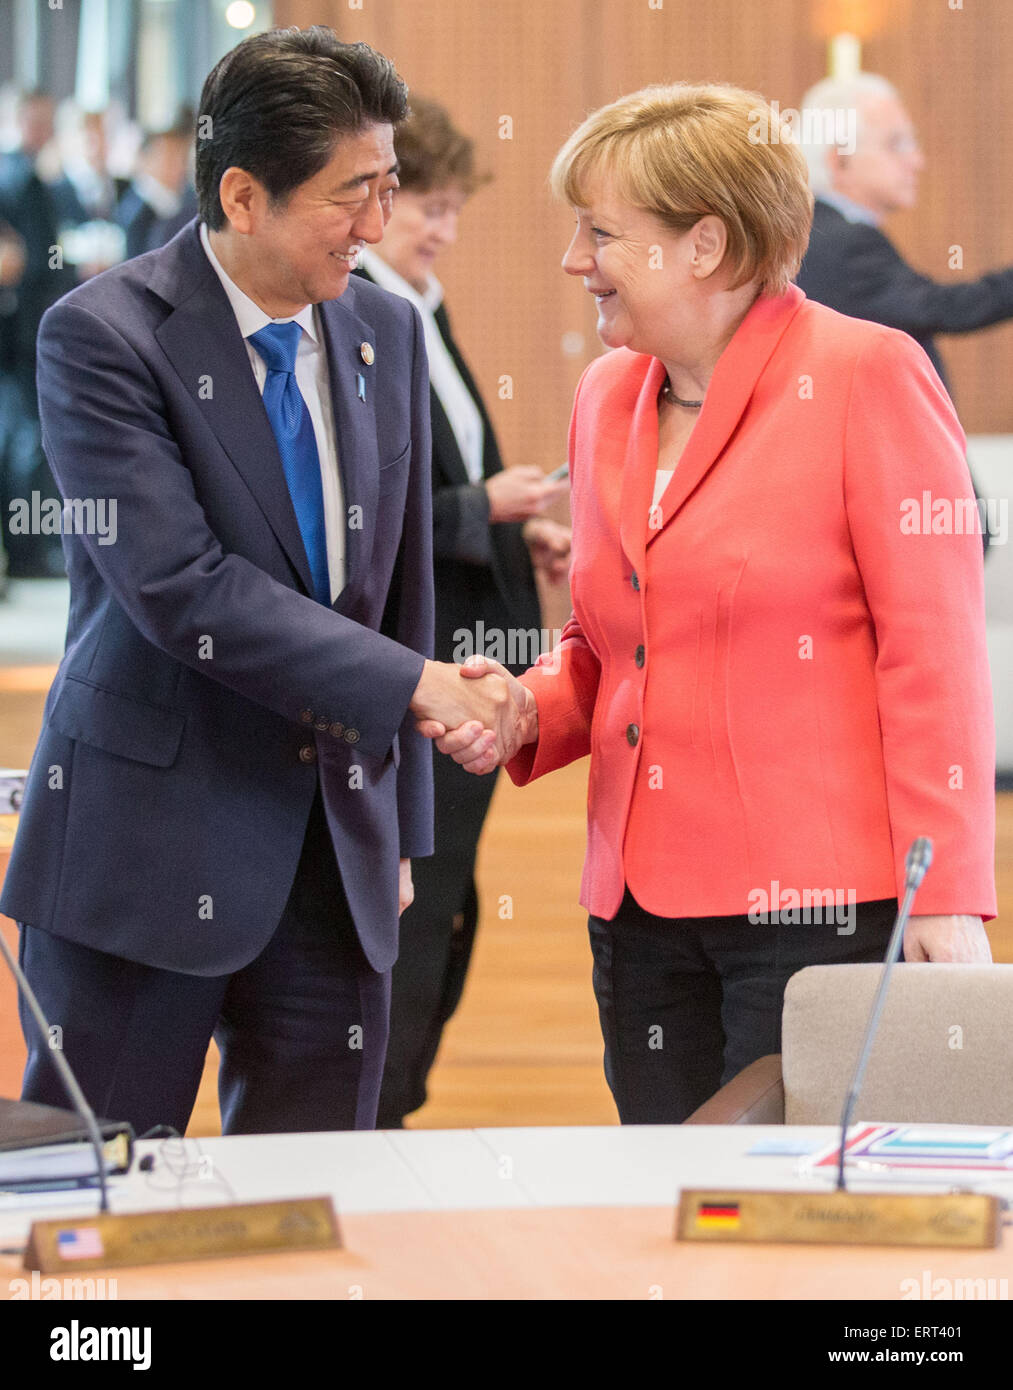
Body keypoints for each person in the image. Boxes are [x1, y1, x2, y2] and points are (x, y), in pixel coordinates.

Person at [423, 83, 996, 1125]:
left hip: (817, 909)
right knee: (669, 1215)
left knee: (786, 1234)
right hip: (637, 911)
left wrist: (948, 897)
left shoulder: (868, 374)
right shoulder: (608, 396)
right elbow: (607, 641)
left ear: (704, 245)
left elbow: (936, 655)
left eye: (599, 232)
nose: (571, 259)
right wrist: (526, 706)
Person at [0, 28, 524, 1139]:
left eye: (387, 187)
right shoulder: (100, 337)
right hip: (144, 855)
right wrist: (418, 685)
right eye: (352, 196)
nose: (379, 227)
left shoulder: (384, 325)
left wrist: (399, 842)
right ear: (242, 194)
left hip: (337, 869)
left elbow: (396, 596)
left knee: (313, 1202)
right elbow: (182, 591)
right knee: (96, 1210)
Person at [353, 95, 570, 1126]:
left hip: (483, 640)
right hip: (429, 660)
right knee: (420, 898)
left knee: (448, 897)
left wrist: (512, 531)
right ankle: (378, 1110)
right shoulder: (359, 310)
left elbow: (444, 474)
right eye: (421, 208)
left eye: (449, 210)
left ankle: (397, 1102)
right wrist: (482, 506)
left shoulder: (420, 304)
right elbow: (368, 509)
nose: (438, 229)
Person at [796, 73, 1013, 551]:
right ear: (840, 160)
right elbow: (946, 307)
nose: (916, 160)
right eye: (896, 144)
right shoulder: (843, 242)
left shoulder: (814, 235)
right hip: (892, 509)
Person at [0, 90, 76, 577]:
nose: (40, 129)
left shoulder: (35, 179)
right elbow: (21, 263)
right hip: (23, 335)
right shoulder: (18, 178)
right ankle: (26, 552)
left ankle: (26, 551)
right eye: (33, 119)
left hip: (28, 332)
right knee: (26, 440)